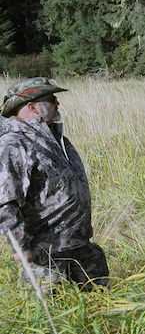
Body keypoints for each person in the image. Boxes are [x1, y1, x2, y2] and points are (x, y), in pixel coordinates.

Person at [0, 78, 108, 291]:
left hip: (79, 246)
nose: (57, 103)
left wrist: (82, 224)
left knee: (100, 306)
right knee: (53, 319)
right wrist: (22, 246)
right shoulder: (15, 144)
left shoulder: (57, 139)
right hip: (45, 255)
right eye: (51, 99)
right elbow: (5, 203)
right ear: (33, 107)